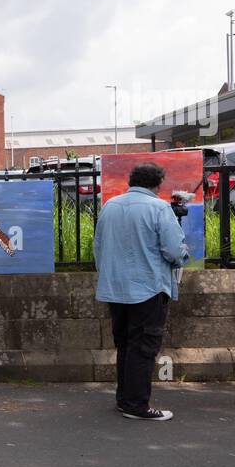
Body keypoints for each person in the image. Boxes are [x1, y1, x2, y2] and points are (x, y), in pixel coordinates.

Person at [93, 163, 189, 421]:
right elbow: (173, 250)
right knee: (144, 347)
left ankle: (125, 399)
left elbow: (98, 247)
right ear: (157, 183)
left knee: (124, 344)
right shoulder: (159, 208)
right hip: (148, 287)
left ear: (131, 180)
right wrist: (183, 255)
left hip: (115, 288)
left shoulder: (110, 206)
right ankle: (136, 404)